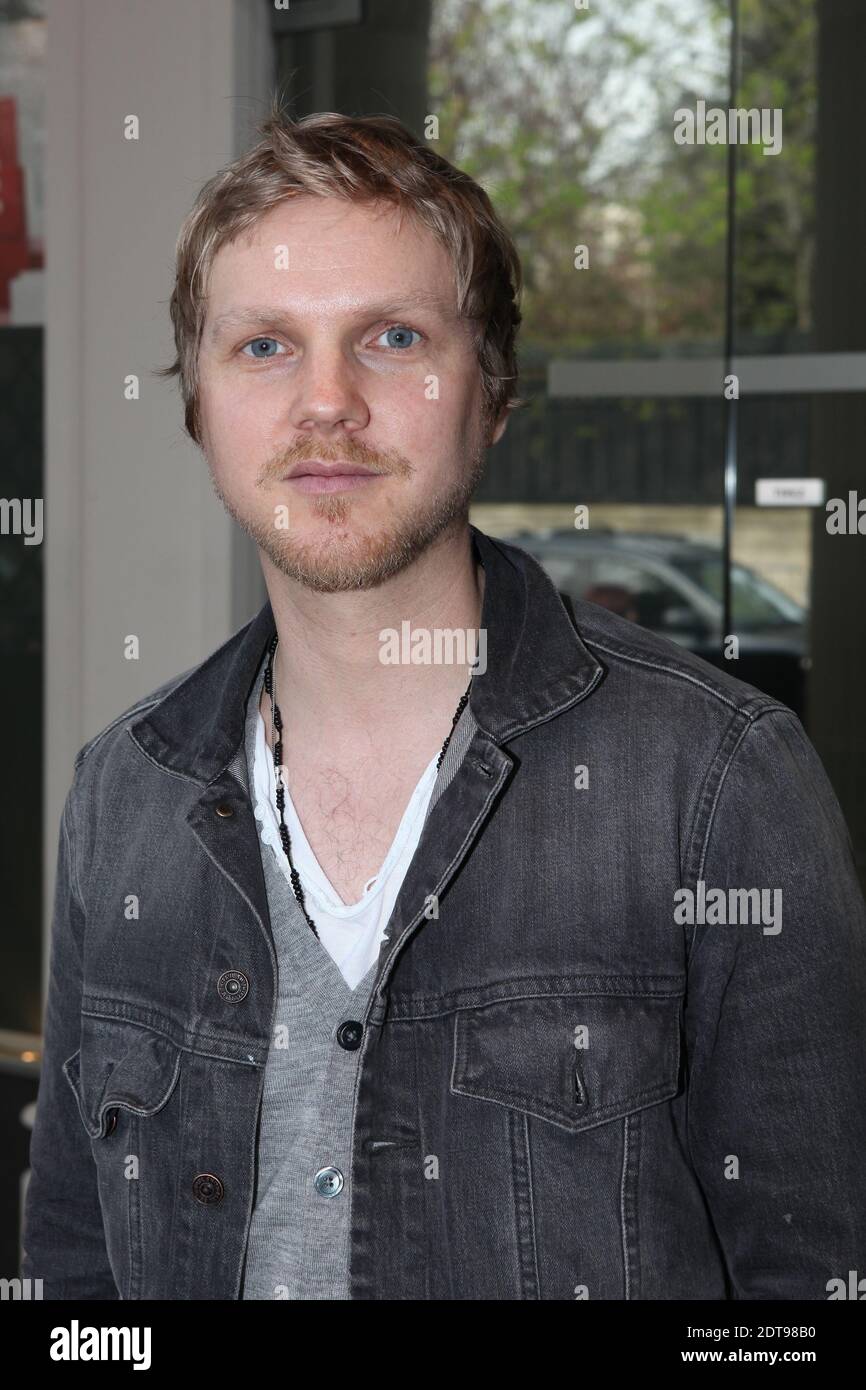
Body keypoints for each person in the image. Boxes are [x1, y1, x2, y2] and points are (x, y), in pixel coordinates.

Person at [22, 105, 866, 1301]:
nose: (326, 403)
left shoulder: (715, 781)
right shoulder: (126, 790)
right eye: (263, 346)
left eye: (393, 337)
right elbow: (75, 1274)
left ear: (493, 394)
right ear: (199, 406)